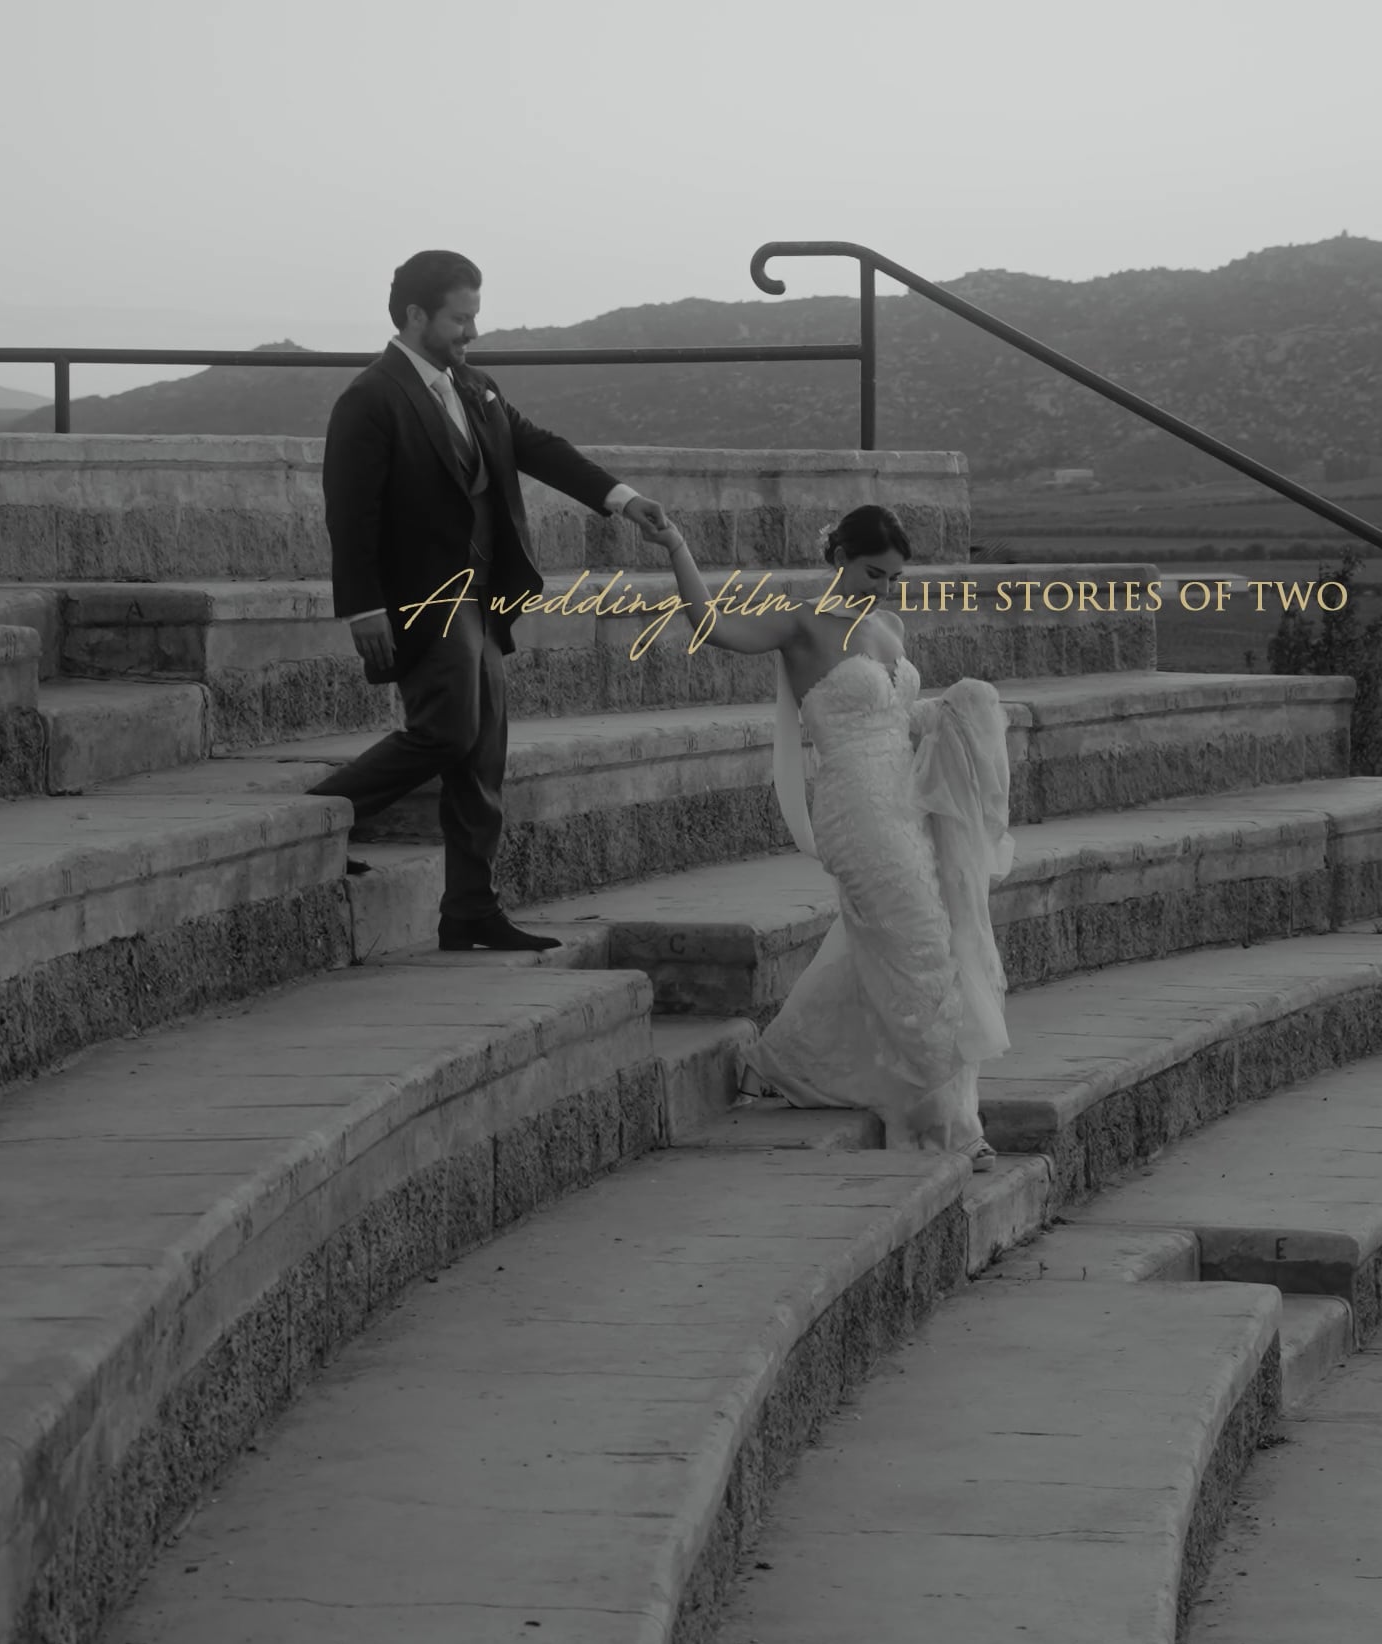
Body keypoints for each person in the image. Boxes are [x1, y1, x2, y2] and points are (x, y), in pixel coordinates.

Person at [314, 249, 668, 951]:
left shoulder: (475, 386)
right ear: (416, 315)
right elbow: (349, 513)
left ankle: (471, 909)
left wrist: (622, 500)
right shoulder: (370, 397)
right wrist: (363, 608)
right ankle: (320, 816)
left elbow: (538, 448)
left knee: (484, 752)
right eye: (459, 317)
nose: (471, 331)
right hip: (421, 600)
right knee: (447, 732)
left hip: (480, 598)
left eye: (474, 316)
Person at [644, 501, 1013, 1163]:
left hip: (907, 803)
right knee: (925, 950)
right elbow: (712, 627)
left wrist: (954, 714)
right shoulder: (801, 623)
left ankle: (784, 1061)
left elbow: (899, 720)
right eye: (874, 573)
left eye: (894, 578)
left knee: (903, 944)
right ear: (840, 556)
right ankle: (952, 1127)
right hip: (856, 809)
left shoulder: (888, 628)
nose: (884, 589)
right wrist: (676, 547)